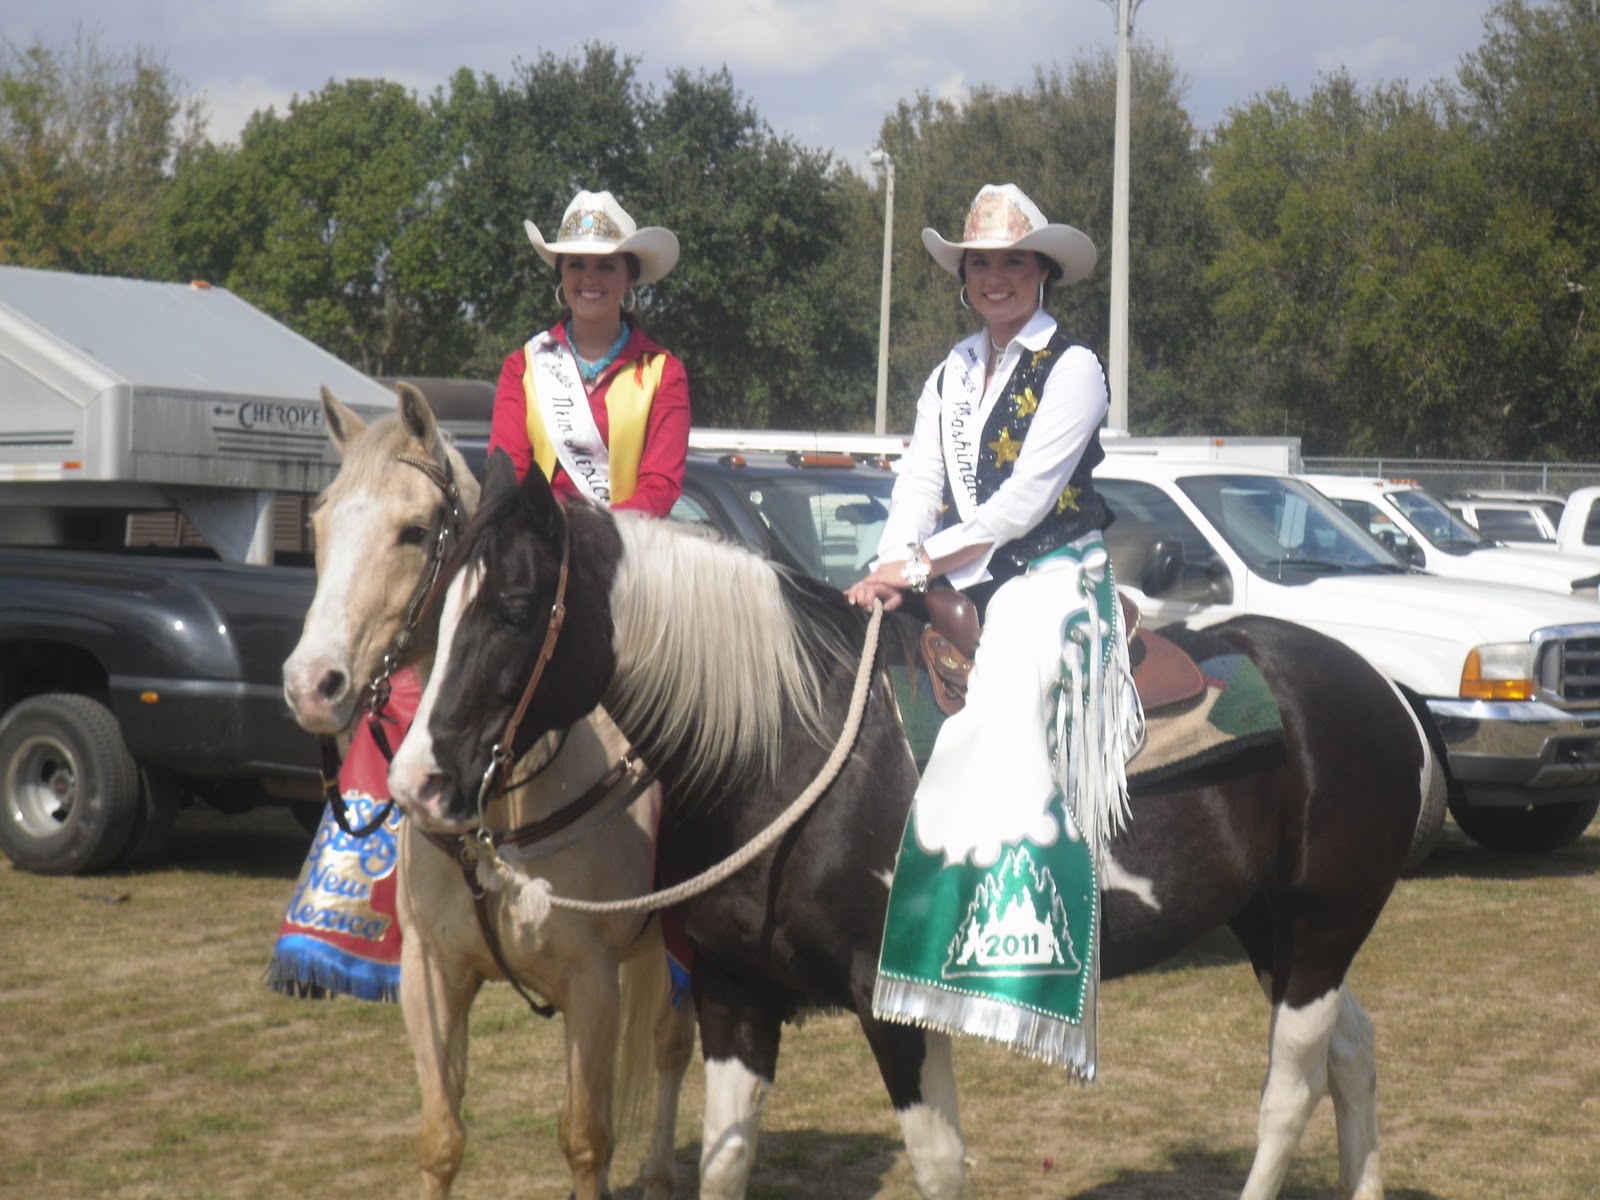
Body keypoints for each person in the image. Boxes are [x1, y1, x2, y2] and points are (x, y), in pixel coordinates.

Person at [857, 182, 1142, 1074]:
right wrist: (890, 559)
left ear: (1043, 271)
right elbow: (915, 480)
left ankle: (1016, 961)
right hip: (953, 573)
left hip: (1052, 574)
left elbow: (1021, 505)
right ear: (965, 276)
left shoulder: (1074, 367)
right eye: (981, 263)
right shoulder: (947, 373)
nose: (995, 277)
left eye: (1012, 261)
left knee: (1001, 719)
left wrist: (917, 565)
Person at [488, 189, 690, 516]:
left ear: (630, 277)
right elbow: (508, 475)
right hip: (539, 548)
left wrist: (596, 537)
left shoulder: (663, 373)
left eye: (606, 266)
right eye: (576, 264)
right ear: (561, 275)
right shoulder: (523, 367)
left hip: (628, 551)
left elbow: (660, 486)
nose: (589, 278)